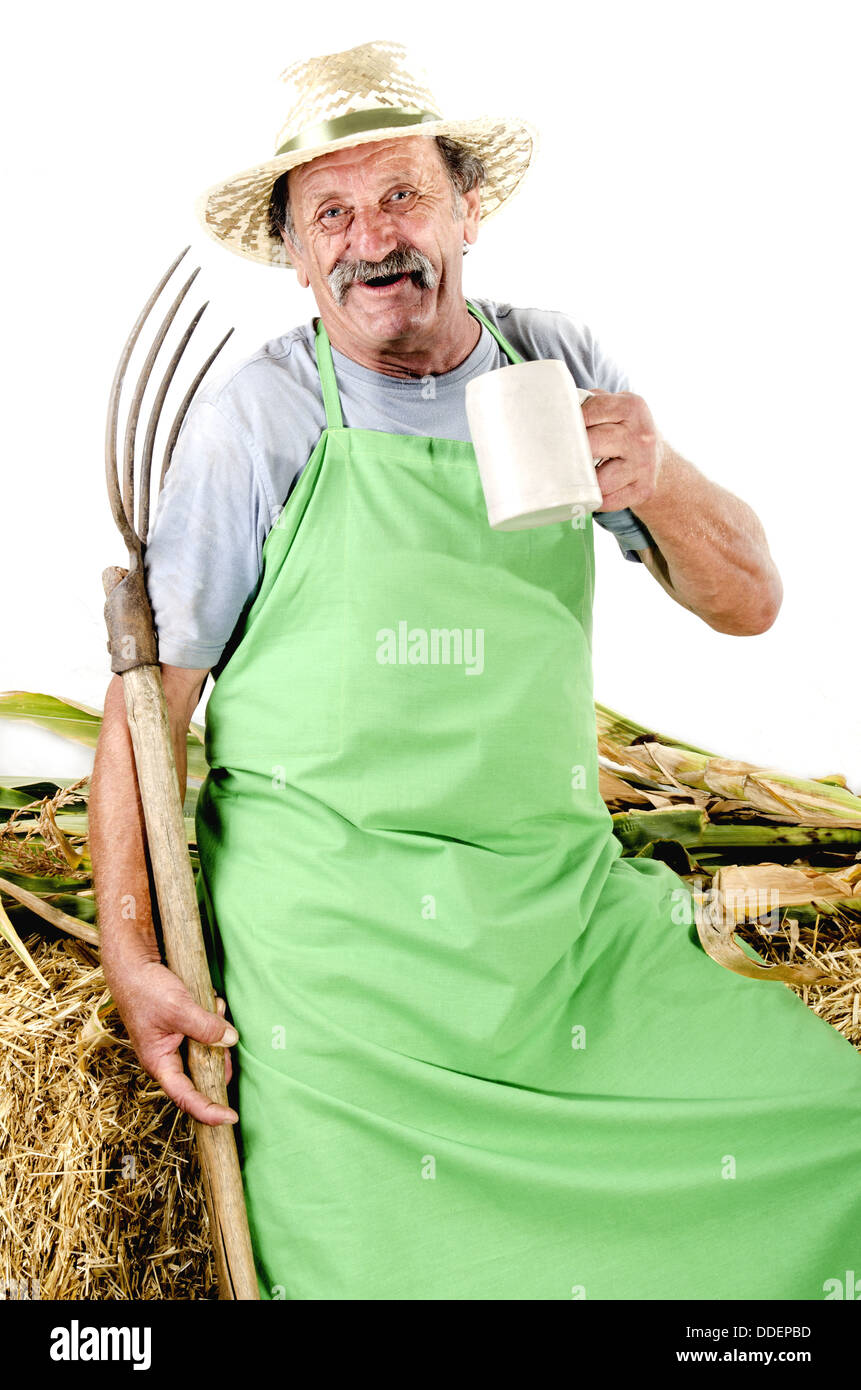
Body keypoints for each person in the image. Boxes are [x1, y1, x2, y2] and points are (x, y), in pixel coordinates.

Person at [89, 39, 861, 1301]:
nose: (369, 238)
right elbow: (144, 715)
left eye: (400, 194)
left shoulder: (551, 365)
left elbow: (753, 602)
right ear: (294, 253)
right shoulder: (264, 418)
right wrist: (133, 953)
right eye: (328, 212)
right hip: (342, 953)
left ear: (468, 208)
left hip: (560, 918)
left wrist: (659, 480)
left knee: (830, 1127)